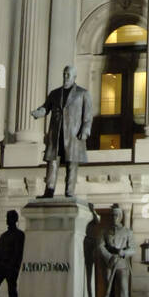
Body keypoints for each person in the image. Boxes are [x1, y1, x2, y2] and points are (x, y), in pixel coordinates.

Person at [30, 64, 93, 198]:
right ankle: (49, 190)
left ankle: (69, 192)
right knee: (52, 163)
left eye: (68, 75)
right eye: (64, 74)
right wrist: (38, 112)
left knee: (72, 164)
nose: (65, 77)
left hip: (73, 135)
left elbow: (87, 116)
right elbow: (45, 108)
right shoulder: (55, 93)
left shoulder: (83, 93)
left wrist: (86, 130)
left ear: (74, 77)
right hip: (56, 134)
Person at [96, 203, 135, 297]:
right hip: (110, 264)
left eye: (117, 215)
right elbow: (100, 246)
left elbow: (133, 249)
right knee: (110, 292)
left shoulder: (128, 232)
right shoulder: (105, 231)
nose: (114, 217)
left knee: (123, 291)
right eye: (113, 215)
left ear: (121, 216)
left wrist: (123, 252)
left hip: (122, 265)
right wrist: (109, 256)